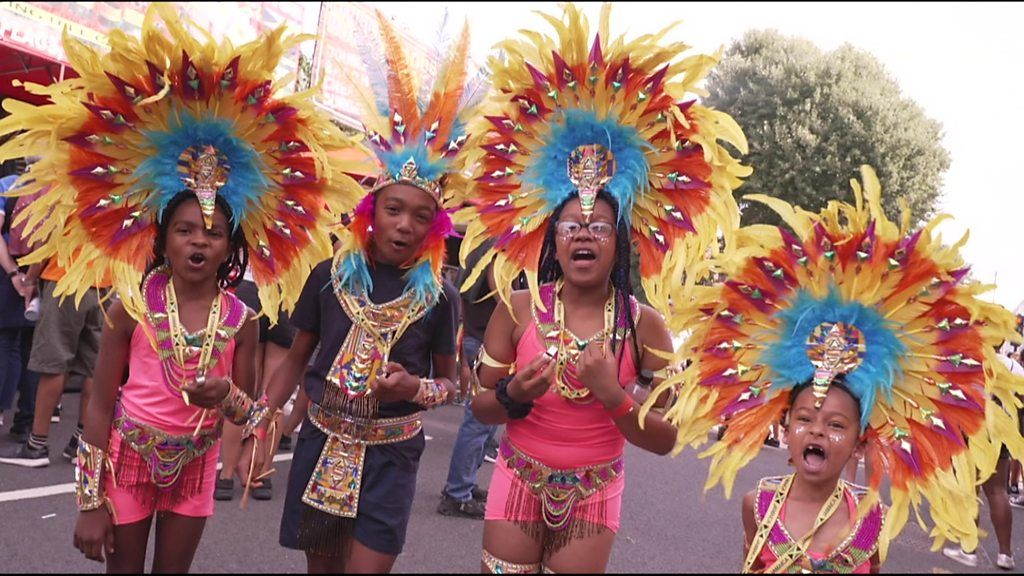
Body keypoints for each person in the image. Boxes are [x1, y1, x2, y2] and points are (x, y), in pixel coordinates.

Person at [0, 5, 362, 569]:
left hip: (195, 467)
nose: (199, 242)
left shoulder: (241, 319)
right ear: (163, 239)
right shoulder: (132, 309)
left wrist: (229, 399)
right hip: (127, 461)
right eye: (185, 230)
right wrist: (89, 500)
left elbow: (243, 412)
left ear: (230, 248)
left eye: (213, 234)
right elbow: (97, 404)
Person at [456, 4, 750, 572]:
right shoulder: (518, 310)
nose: (584, 236)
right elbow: (481, 407)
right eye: (572, 227)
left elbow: (665, 439)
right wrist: (516, 394)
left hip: (594, 495)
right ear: (554, 240)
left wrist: (612, 396)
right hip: (516, 479)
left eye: (598, 228)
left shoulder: (646, 325)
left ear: (620, 242)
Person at [657, 166, 1024, 572]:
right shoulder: (756, 505)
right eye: (805, 419)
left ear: (859, 442)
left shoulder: (872, 523)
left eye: (836, 425)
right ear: (784, 428)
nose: (817, 430)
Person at [238, 11, 481, 573]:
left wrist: (414, 386)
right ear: (371, 213)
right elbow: (298, 357)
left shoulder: (440, 296)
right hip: (322, 441)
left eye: (420, 217)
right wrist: (262, 424)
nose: (404, 226)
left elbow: (452, 383)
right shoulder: (329, 276)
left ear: (435, 229)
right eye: (393, 210)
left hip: (392, 458)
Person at [214, 266, 298, 502]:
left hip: (250, 287)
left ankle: (227, 475)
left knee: (241, 391)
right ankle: (262, 474)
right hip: (286, 291)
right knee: (273, 393)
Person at [941, 348, 1022, 570]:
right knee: (998, 491)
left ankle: (969, 550)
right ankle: (1005, 555)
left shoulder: (964, 361)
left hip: (971, 432)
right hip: (999, 432)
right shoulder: (1009, 364)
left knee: (970, 491)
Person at [438, 242, 501, 519]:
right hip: (488, 341)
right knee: (479, 421)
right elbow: (501, 293)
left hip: (482, 337)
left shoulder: (478, 246)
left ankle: (465, 482)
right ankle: (457, 493)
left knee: (487, 422)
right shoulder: (496, 249)